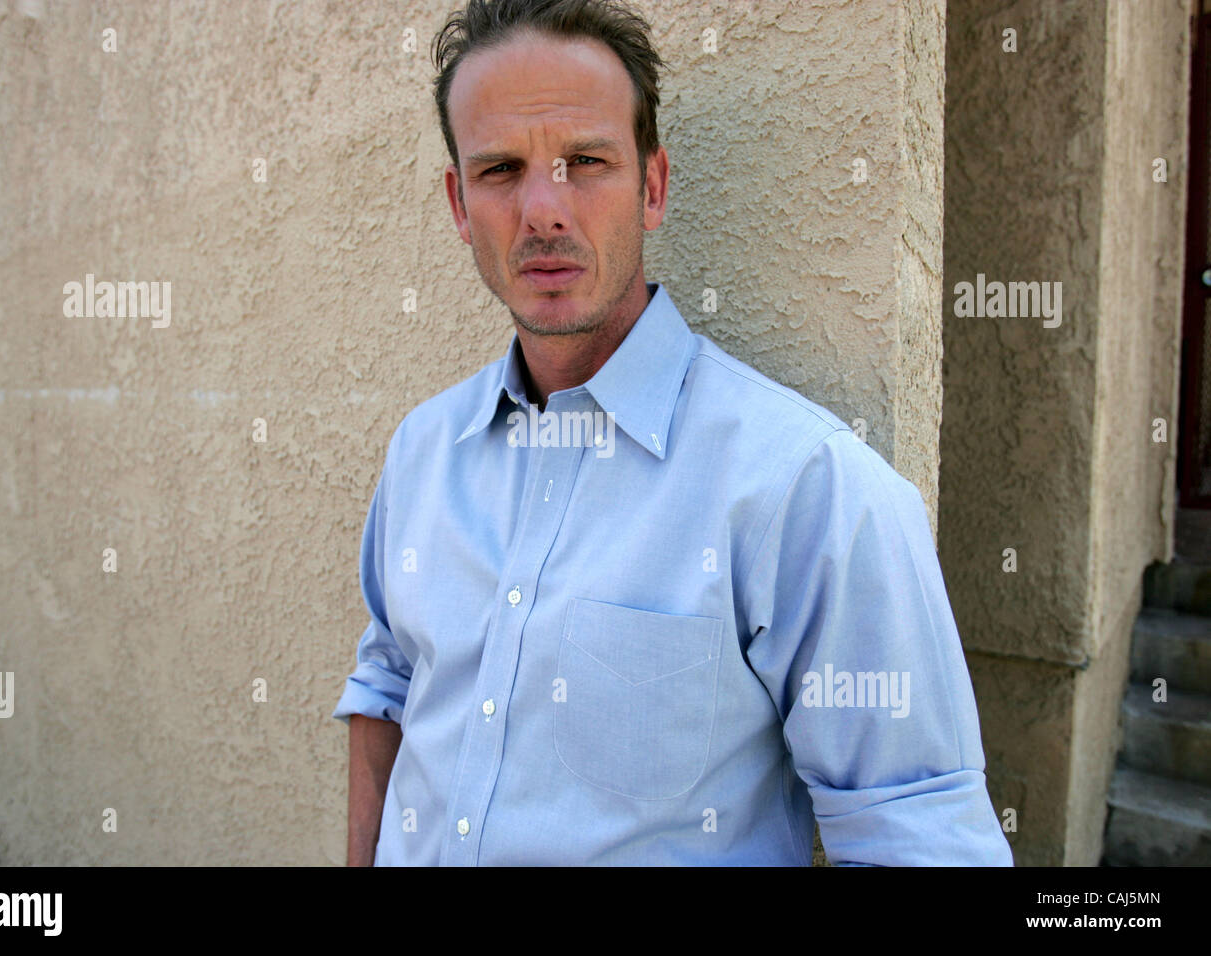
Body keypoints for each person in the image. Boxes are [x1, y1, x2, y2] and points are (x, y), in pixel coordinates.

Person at [332, 0, 1013, 867]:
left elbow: (919, 839)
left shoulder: (805, 489)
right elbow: (388, 683)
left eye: (586, 161)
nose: (543, 210)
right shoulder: (423, 453)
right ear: (460, 205)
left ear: (651, 188)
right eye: (500, 170)